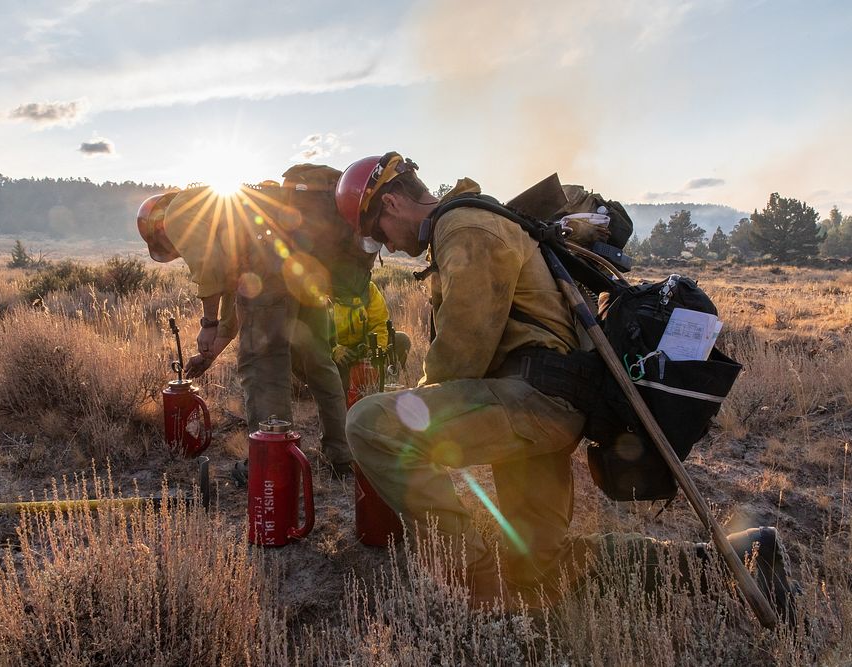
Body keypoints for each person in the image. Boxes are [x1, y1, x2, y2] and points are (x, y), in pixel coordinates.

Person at [337, 152, 797, 619]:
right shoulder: (481, 219)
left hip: (532, 400)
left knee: (372, 424)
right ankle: (731, 562)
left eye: (378, 235)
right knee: (538, 564)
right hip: (550, 406)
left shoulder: (465, 226)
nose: (385, 246)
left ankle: (476, 582)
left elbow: (462, 352)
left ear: (391, 204)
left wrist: (418, 407)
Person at [138, 165, 373, 478]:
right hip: (306, 273)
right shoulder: (222, 207)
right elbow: (237, 301)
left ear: (158, 225)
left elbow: (211, 272)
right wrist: (210, 354)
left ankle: (273, 465)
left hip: (271, 275)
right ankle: (343, 457)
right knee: (319, 363)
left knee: (264, 368)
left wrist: (208, 325)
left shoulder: (179, 211)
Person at [331, 277, 411, 395]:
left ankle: (385, 390)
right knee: (343, 395)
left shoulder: (368, 289)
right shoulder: (324, 290)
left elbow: (380, 324)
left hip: (364, 348)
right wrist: (334, 350)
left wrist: (374, 351)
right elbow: (315, 333)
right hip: (340, 356)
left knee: (401, 340)